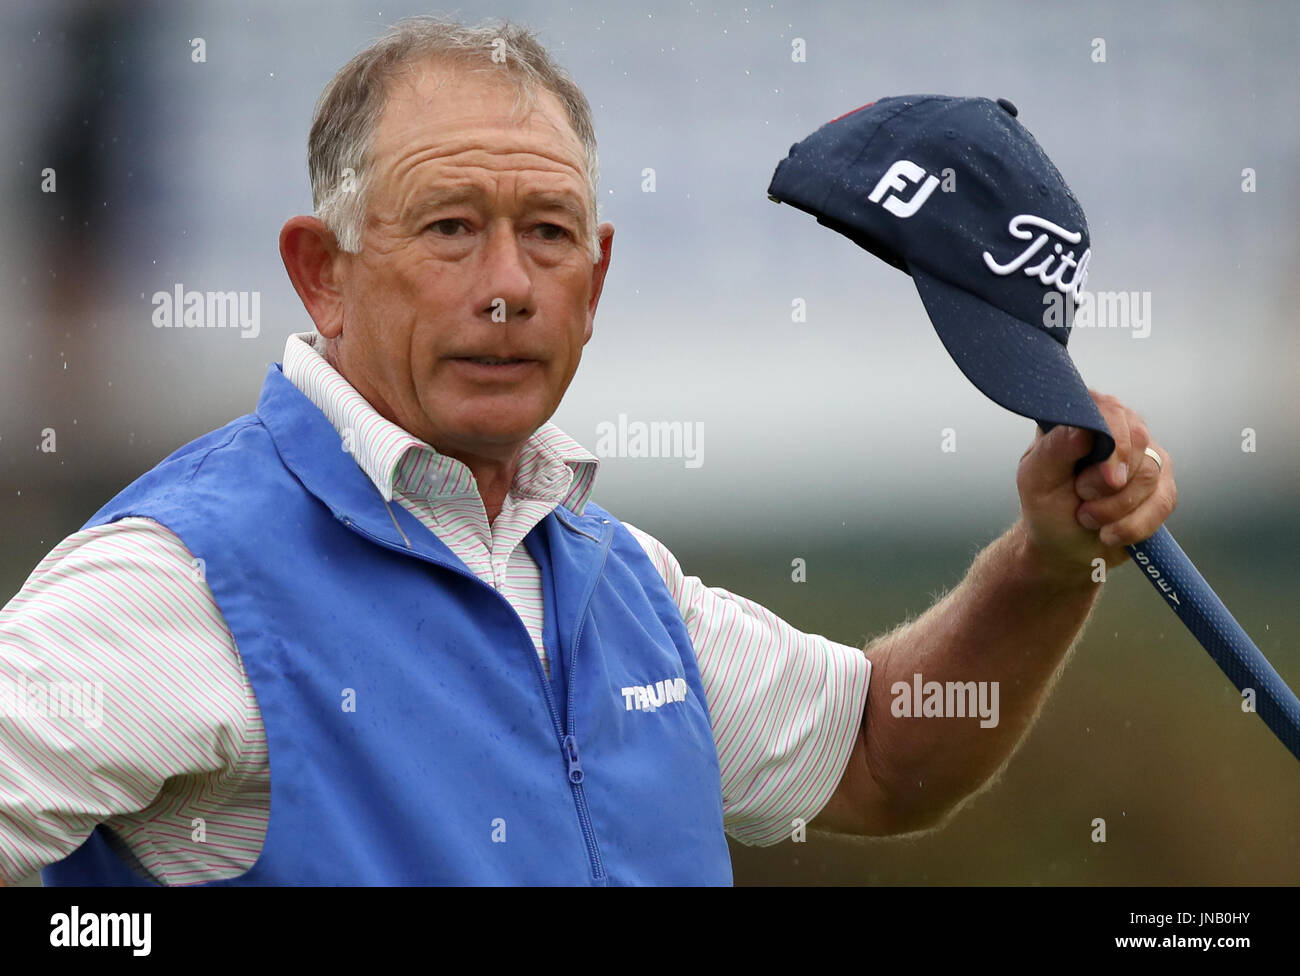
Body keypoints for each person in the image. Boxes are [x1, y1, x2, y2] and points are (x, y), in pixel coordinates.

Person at [0, 16, 1176, 886]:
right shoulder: (180, 581)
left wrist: (1042, 560)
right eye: (452, 228)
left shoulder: (624, 586)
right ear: (324, 273)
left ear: (596, 277)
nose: (508, 288)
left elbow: (878, 754)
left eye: (547, 234)